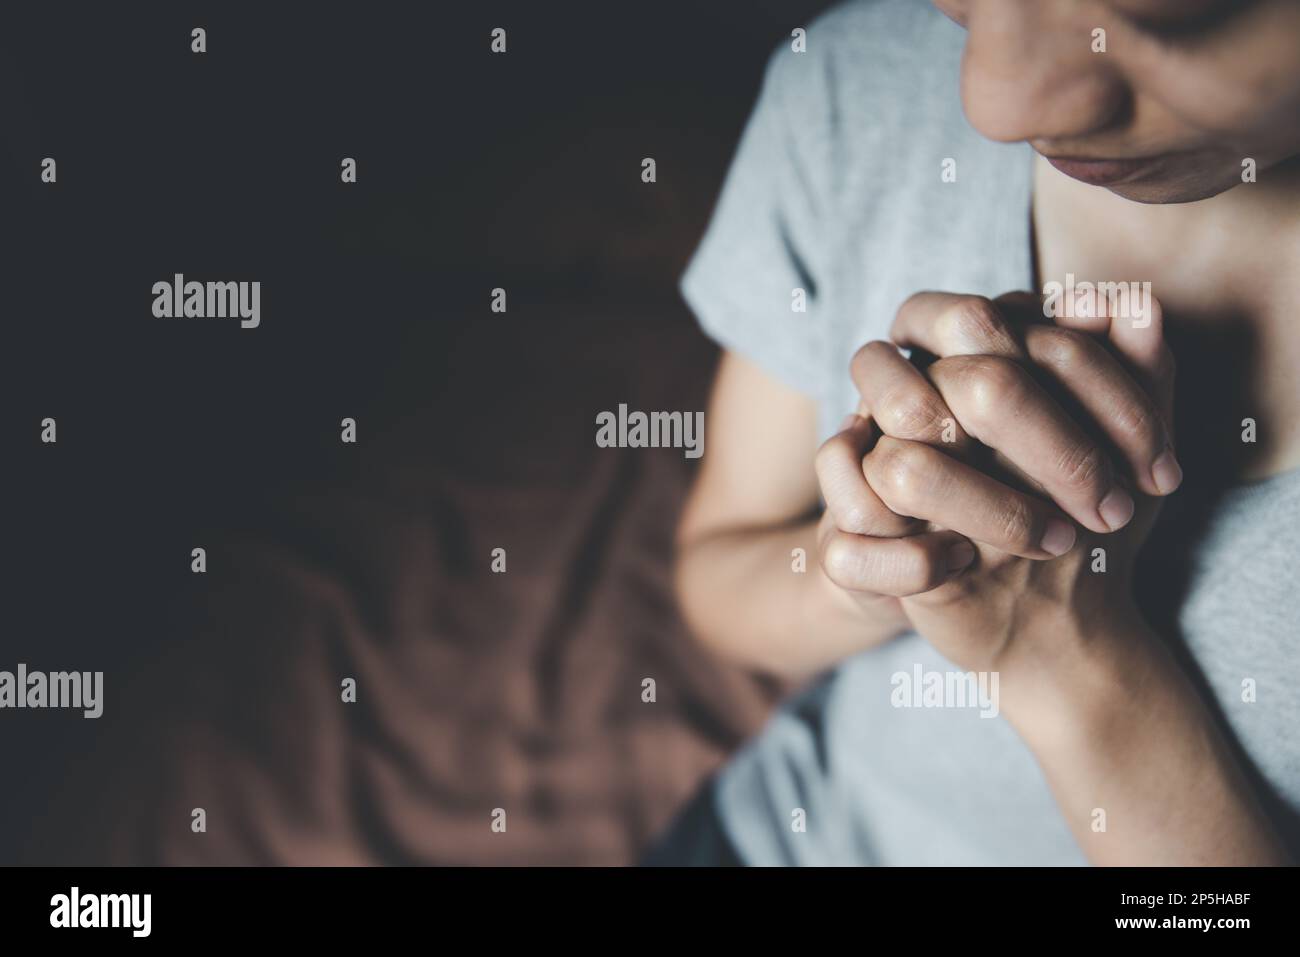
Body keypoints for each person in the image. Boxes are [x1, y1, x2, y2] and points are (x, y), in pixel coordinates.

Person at [652, 0, 1300, 865]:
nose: (994, 104)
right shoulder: (859, 87)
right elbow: (718, 568)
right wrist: (875, 577)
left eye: (1165, 15)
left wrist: (1059, 659)